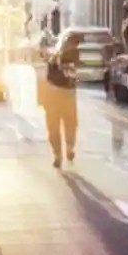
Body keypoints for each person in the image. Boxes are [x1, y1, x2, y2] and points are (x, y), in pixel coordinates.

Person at [40, 31, 81, 169]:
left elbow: (48, 78)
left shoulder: (57, 56)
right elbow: (72, 75)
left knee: (57, 125)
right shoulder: (69, 56)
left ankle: (61, 153)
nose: (74, 46)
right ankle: (63, 151)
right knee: (67, 123)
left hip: (56, 93)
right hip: (65, 93)